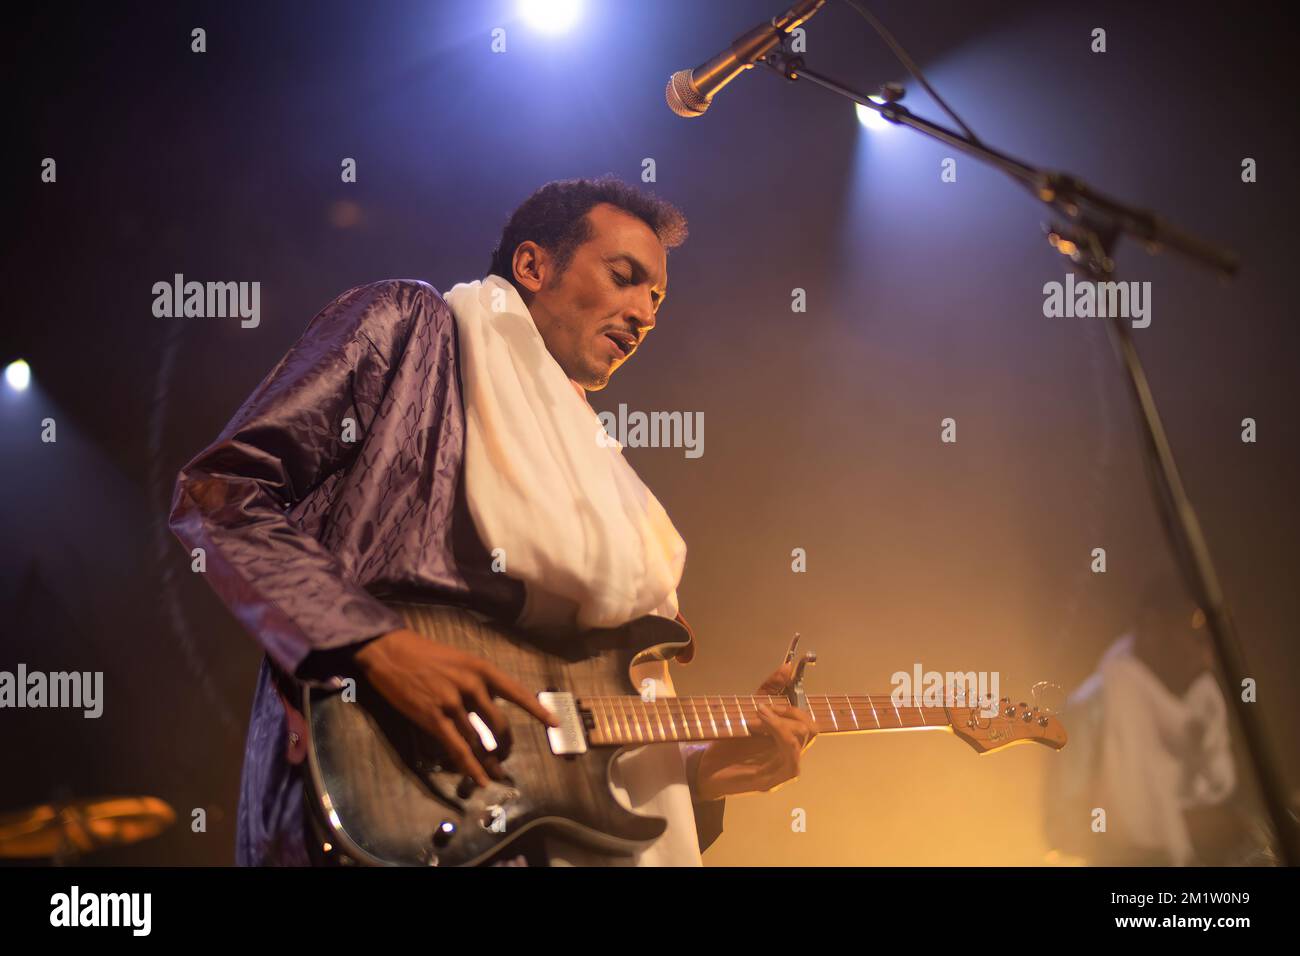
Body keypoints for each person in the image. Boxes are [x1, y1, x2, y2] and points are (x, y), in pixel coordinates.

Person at [169, 176, 817, 866]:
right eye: (625, 278)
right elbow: (220, 490)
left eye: (656, 299)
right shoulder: (411, 327)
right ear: (534, 265)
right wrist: (373, 645)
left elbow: (562, 716)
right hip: (379, 800)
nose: (645, 313)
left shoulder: (591, 463)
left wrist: (698, 772)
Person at [1042, 573, 1254, 865]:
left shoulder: (1206, 704)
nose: (1208, 655)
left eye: (1212, 639)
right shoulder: (1094, 707)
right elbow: (1062, 826)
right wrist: (1149, 843)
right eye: (1196, 635)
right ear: (1152, 627)